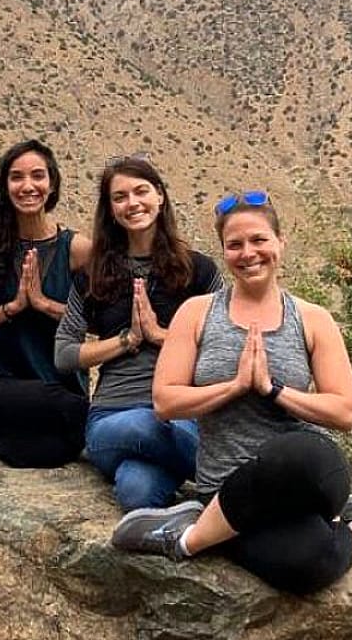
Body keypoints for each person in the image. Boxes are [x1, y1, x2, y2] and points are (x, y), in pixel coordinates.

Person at [110, 190, 352, 594]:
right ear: (224, 252)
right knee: (304, 566)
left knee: (298, 452)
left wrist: (272, 390)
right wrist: (234, 387)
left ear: (280, 243)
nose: (249, 253)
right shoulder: (197, 313)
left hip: (308, 479)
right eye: (235, 245)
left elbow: (344, 411)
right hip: (229, 491)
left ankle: (190, 538)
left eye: (259, 240)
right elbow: (165, 401)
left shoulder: (313, 319)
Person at [54, 154, 222, 510]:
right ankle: (243, 487)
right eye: (120, 197)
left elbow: (224, 347)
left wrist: (160, 335)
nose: (132, 203)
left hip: (181, 411)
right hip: (112, 418)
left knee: (137, 492)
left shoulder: (199, 271)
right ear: (110, 209)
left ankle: (211, 501)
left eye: (141, 191)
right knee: (147, 425)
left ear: (159, 196)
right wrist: (125, 340)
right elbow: (65, 355)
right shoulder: (93, 275)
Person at [0, 139, 93, 468]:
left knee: (44, 451)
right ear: (5, 185)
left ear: (51, 183)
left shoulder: (77, 249)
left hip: (62, 386)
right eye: (16, 177)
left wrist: (43, 304)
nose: (28, 186)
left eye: (37, 176)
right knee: (8, 412)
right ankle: (91, 418)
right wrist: (14, 306)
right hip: (4, 382)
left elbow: (97, 324)